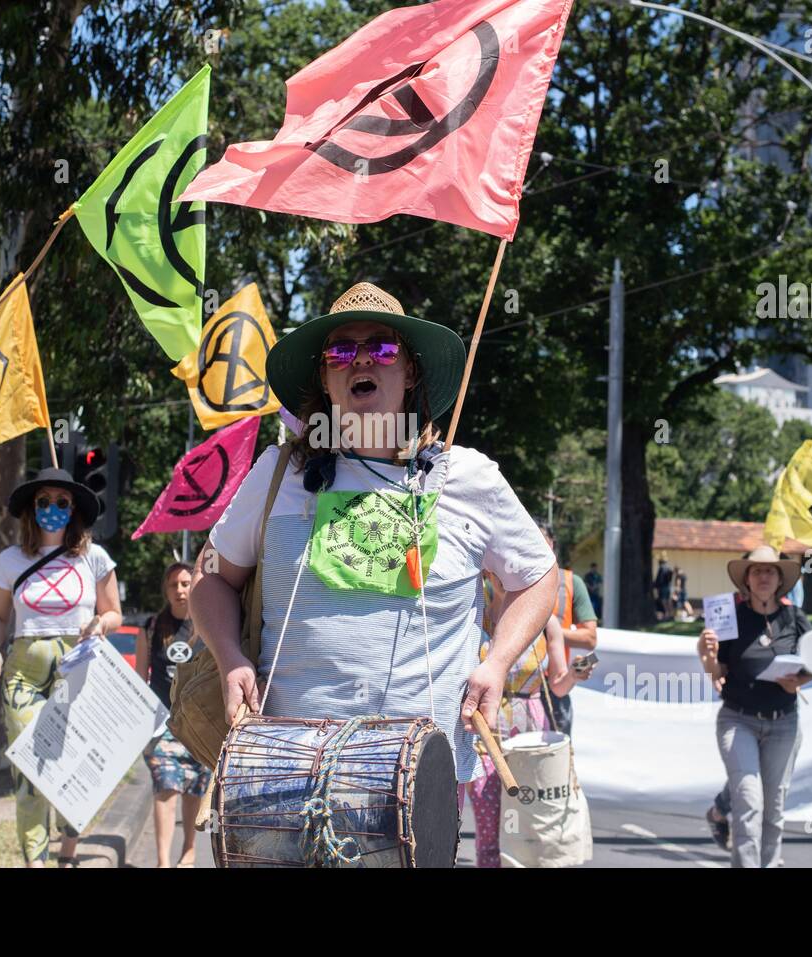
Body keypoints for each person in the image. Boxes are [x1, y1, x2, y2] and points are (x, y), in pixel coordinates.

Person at [191, 283, 558, 797]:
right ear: (324, 375)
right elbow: (208, 581)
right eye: (341, 351)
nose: (360, 360)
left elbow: (539, 577)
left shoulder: (467, 478)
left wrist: (498, 663)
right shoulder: (278, 472)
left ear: (409, 371)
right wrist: (231, 657)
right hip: (284, 769)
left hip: (415, 779)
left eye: (382, 348)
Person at [0, 467, 122, 868]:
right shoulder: (10, 560)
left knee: (71, 770)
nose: (53, 509)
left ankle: (69, 845)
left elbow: (114, 613)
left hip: (77, 672)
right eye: (45, 502)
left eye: (62, 502)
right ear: (32, 508)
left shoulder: (94, 558)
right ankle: (35, 862)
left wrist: (99, 623)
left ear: (73, 507)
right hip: (23, 673)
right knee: (31, 772)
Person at [462, 570, 592, 867]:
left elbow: (557, 684)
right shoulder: (473, 615)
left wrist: (573, 674)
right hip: (485, 734)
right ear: (487, 573)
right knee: (490, 828)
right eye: (497, 569)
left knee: (532, 828)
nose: (504, 576)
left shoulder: (546, 622)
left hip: (531, 736)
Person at [697, 545, 812, 868]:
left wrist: (800, 681)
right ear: (746, 579)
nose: (763, 576)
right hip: (738, 721)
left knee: (774, 808)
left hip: (784, 723)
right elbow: (717, 672)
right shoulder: (729, 616)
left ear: (780, 579)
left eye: (770, 571)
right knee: (749, 802)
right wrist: (706, 655)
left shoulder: (794, 616)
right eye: (757, 571)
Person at [135, 561, 211, 868]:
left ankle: (189, 850)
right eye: (173, 585)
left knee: (194, 787)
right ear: (165, 590)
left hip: (199, 723)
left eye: (185, 583)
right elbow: (140, 678)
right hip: (161, 724)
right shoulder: (151, 628)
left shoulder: (210, 624)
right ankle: (163, 862)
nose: (180, 590)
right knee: (166, 786)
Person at [536, 524, 598, 735]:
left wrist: (548, 633)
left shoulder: (572, 583)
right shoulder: (503, 583)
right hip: (512, 688)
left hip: (555, 684)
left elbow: (590, 638)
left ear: (551, 544)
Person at [654, 554, 674, 620]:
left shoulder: (661, 568)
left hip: (663, 587)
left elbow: (659, 579)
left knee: (664, 601)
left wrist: (655, 585)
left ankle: (667, 614)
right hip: (668, 586)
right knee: (668, 601)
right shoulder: (668, 567)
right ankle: (671, 614)